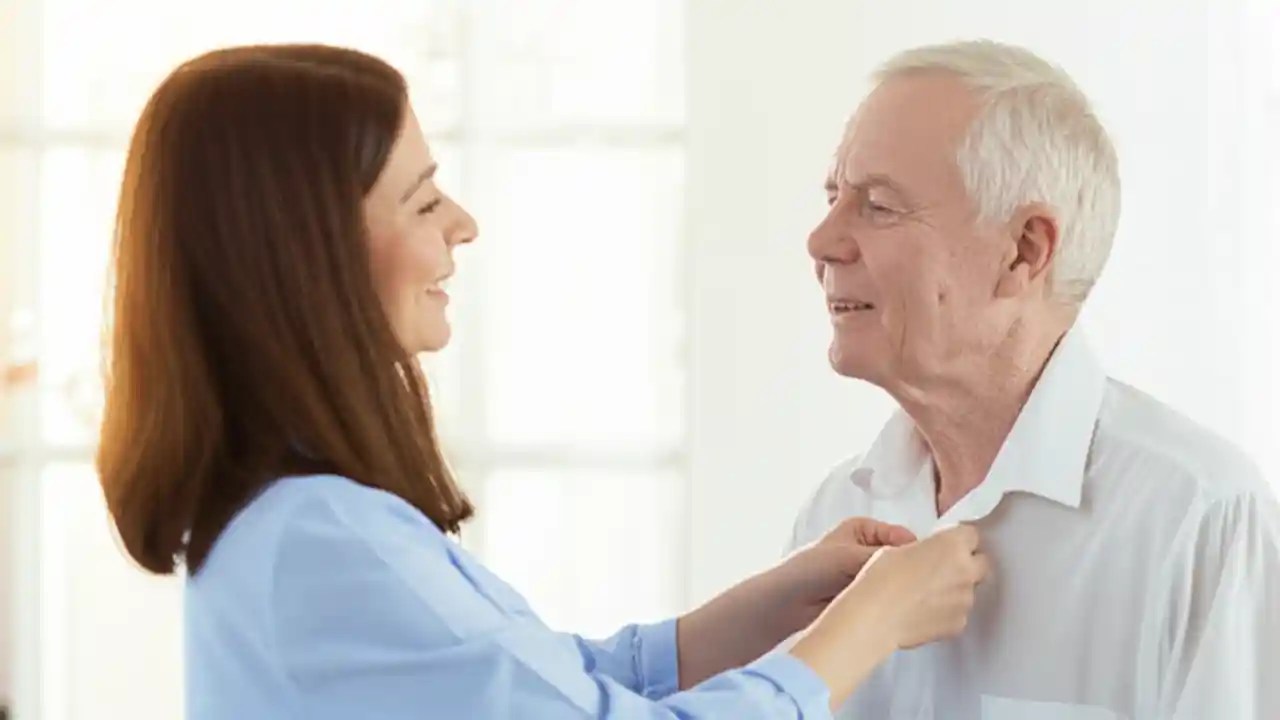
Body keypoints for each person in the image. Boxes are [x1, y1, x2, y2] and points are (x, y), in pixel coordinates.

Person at [95, 44, 989, 719]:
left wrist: (769, 608)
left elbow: (546, 685)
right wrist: (866, 627)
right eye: (422, 200)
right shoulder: (323, 542)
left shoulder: (302, 525)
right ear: (306, 255)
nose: (464, 224)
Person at [790, 39, 1280, 720]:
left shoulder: (1197, 517)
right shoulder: (834, 514)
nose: (822, 240)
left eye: (877, 205)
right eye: (834, 196)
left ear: (1024, 251)